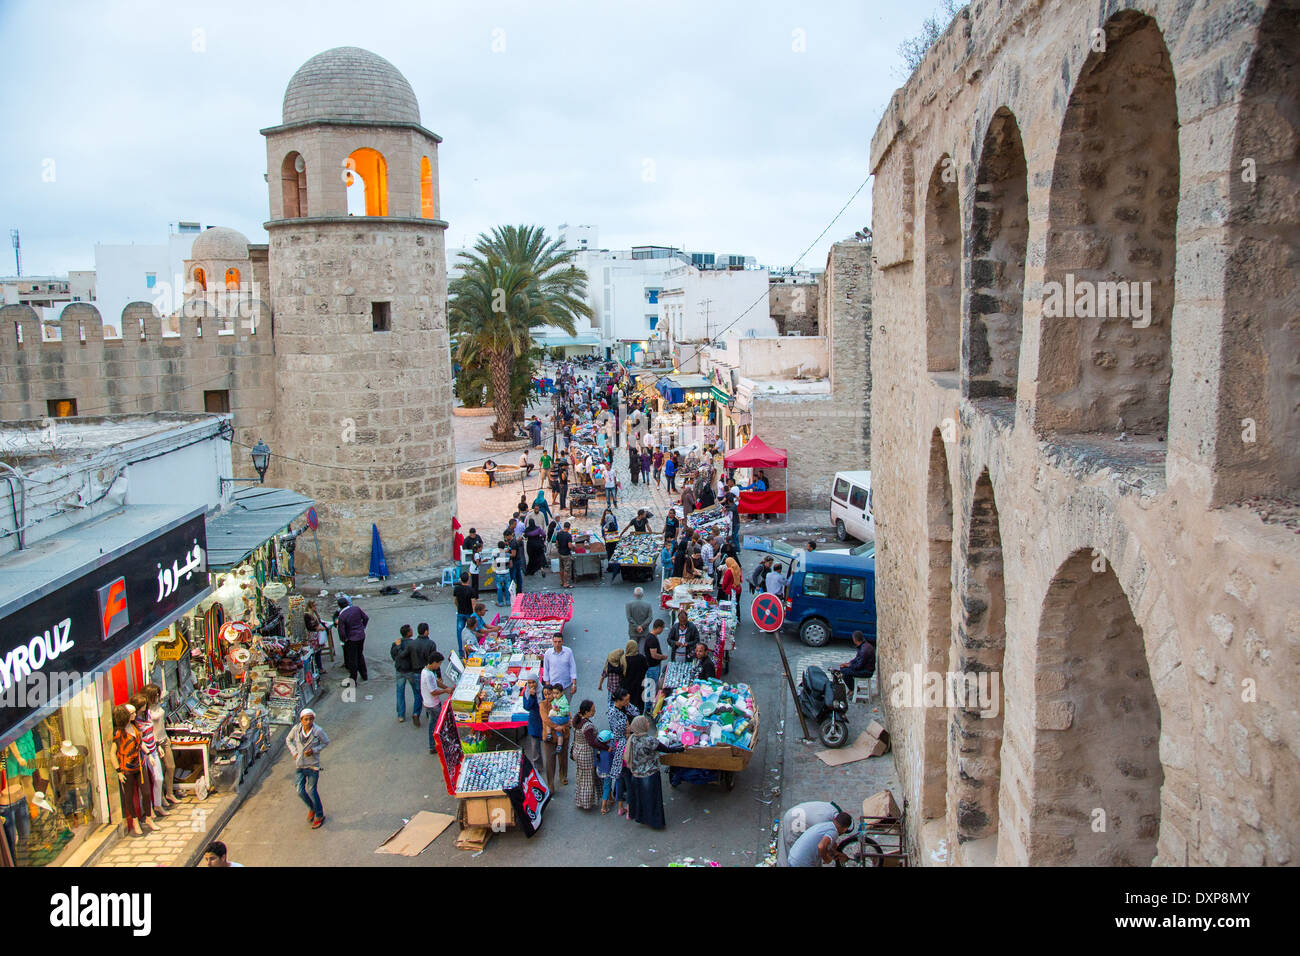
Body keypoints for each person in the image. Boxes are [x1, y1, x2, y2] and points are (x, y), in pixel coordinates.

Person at [624, 716, 682, 830]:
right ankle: (655, 822)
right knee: (653, 800)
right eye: (645, 722)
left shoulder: (633, 738)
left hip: (636, 775)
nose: (648, 723)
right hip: (649, 774)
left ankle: (642, 818)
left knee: (642, 798)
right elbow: (667, 749)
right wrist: (681, 748)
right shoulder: (649, 740)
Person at [108, 705, 156, 836]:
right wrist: (118, 771)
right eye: (132, 713)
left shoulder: (135, 727)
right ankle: (135, 821)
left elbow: (140, 743)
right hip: (126, 769)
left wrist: (149, 754)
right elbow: (112, 753)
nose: (135, 715)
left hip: (140, 765)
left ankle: (148, 818)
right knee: (129, 796)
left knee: (146, 792)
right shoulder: (118, 734)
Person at [286, 709, 330, 829]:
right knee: (300, 791)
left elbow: (326, 742)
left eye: (310, 719)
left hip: (313, 765)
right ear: (301, 720)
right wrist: (294, 752)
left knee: (312, 790)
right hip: (300, 765)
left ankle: (319, 814)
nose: (308, 721)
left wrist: (314, 750)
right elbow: (288, 740)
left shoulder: (318, 731)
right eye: (306, 719)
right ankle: (312, 808)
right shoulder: (296, 730)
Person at [143, 683, 179, 807]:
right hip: (156, 743)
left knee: (171, 766)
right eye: (155, 695)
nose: (158, 696)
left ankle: (169, 792)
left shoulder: (158, 704)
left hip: (165, 739)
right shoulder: (147, 711)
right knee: (161, 772)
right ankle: (162, 797)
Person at [606, 689, 640, 818]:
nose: (628, 702)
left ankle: (620, 807)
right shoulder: (614, 713)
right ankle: (629, 809)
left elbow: (636, 712)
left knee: (620, 780)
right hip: (623, 748)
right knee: (628, 779)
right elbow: (620, 732)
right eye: (626, 700)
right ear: (619, 700)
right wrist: (628, 731)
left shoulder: (623, 708)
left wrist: (628, 705)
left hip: (619, 747)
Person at [570, 700, 608, 811]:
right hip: (586, 754)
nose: (594, 711)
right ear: (586, 712)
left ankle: (580, 800)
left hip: (577, 750)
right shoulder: (587, 726)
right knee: (587, 779)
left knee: (581, 777)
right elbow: (592, 742)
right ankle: (586, 803)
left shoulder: (577, 719)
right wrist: (606, 748)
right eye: (592, 710)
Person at [778, 801, 842, 866]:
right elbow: (821, 846)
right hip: (794, 822)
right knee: (793, 853)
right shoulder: (824, 822)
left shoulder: (832, 812)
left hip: (795, 816)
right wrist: (827, 858)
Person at [788, 811, 854, 866]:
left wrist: (836, 853)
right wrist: (826, 859)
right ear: (845, 829)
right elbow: (821, 846)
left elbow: (827, 846)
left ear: (834, 819)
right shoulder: (834, 831)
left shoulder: (827, 825)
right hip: (802, 862)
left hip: (793, 856)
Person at [391, 624, 424, 726]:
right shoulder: (413, 644)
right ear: (409, 633)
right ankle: (416, 712)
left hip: (399, 670)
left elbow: (393, 655)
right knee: (417, 692)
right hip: (410, 671)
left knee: (400, 693)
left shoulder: (396, 643)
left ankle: (401, 715)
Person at [420, 653, 452, 752]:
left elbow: (436, 682)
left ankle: (433, 745)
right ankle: (438, 746)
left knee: (433, 724)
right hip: (432, 704)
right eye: (439, 664)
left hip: (430, 703)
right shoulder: (428, 674)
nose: (439, 666)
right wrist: (446, 691)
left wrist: (446, 687)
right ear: (434, 662)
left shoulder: (428, 671)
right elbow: (433, 692)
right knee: (438, 725)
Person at [539, 684, 569, 789]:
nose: (548, 696)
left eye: (550, 693)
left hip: (563, 734)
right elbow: (545, 719)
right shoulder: (542, 705)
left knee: (563, 758)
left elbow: (568, 716)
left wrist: (564, 726)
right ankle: (550, 785)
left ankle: (563, 776)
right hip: (549, 736)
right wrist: (556, 727)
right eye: (545, 694)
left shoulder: (561, 701)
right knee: (550, 761)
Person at [336, 595, 369, 686]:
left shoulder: (342, 616)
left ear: (339, 606)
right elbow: (366, 618)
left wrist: (344, 640)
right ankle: (364, 674)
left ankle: (353, 680)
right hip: (361, 636)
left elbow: (341, 631)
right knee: (360, 655)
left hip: (351, 639)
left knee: (352, 659)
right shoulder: (356, 609)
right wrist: (363, 627)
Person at [542, 633, 578, 704]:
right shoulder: (548, 653)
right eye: (555, 642)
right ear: (552, 642)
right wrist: (548, 686)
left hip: (566, 686)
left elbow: (572, 668)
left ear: (562, 642)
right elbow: (546, 670)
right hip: (553, 686)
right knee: (554, 708)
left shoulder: (568, 652)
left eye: (559, 642)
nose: (557, 644)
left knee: (565, 707)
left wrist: (574, 684)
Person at [623, 639, 649, 710]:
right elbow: (646, 668)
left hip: (627, 687)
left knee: (628, 706)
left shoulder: (624, 659)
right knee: (639, 706)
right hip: (639, 686)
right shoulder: (641, 658)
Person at [453, 572, 475, 654]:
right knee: (471, 632)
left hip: (460, 612)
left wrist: (458, 607)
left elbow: (455, 600)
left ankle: (460, 651)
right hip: (469, 613)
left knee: (459, 632)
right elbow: (473, 603)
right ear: (468, 580)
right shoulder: (471, 590)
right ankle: (471, 649)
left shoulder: (457, 589)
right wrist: (473, 614)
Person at [642, 619, 668, 685]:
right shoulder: (652, 639)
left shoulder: (652, 636)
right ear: (659, 628)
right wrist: (662, 657)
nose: (662, 630)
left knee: (653, 685)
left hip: (653, 666)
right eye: (662, 628)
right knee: (652, 685)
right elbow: (654, 655)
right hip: (653, 667)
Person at [555, 521, 575, 588]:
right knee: (566, 569)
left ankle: (562, 582)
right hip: (566, 554)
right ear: (569, 528)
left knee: (561, 568)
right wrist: (573, 547)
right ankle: (565, 583)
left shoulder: (559, 533)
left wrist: (559, 547)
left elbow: (557, 543)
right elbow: (569, 546)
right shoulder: (568, 535)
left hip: (560, 553)